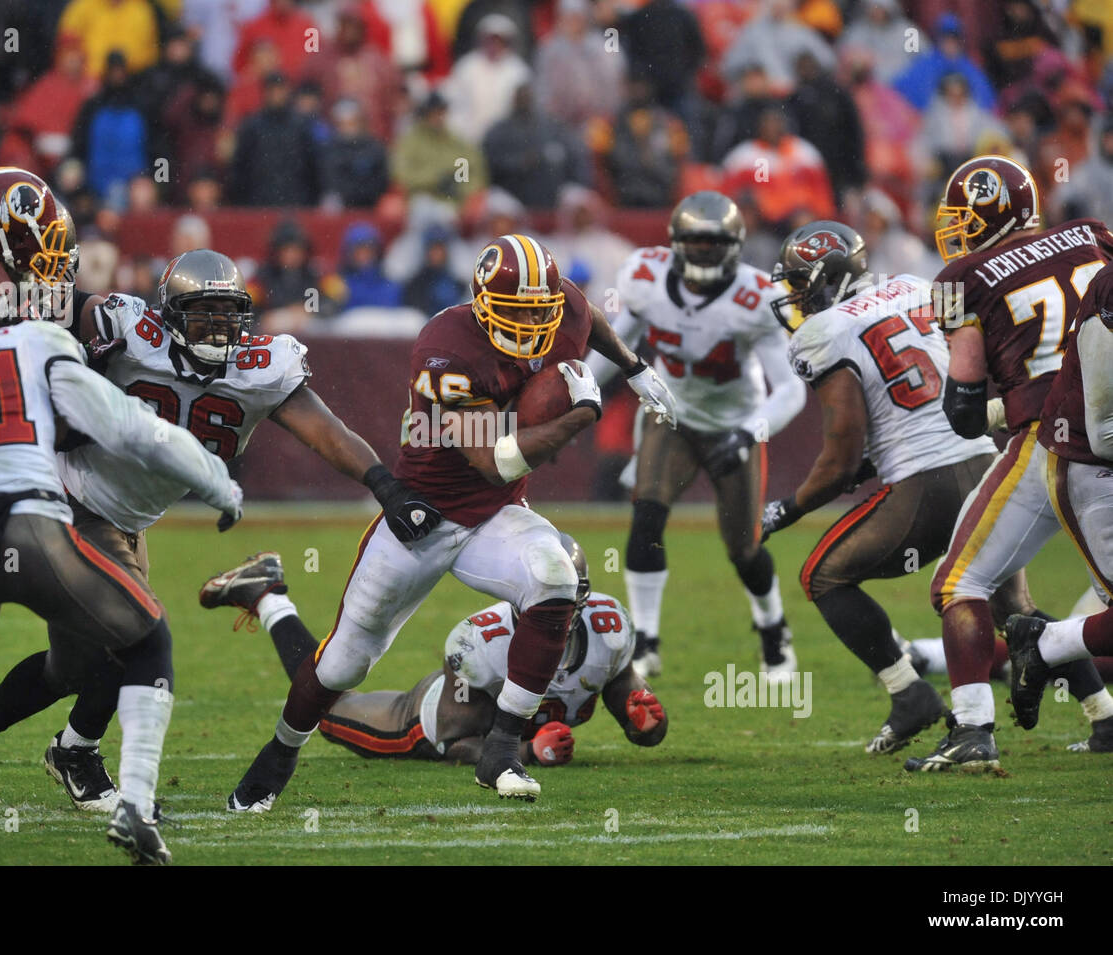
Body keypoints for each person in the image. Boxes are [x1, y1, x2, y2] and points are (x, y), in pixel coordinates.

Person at [0, 248, 437, 811]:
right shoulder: (127, 328)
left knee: (74, 665)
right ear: (169, 313)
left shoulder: (260, 366)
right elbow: (56, 306)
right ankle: (75, 751)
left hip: (128, 519)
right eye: (204, 313)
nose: (220, 328)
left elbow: (329, 433)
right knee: (134, 634)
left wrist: (386, 487)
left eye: (230, 315)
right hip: (70, 498)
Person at [227, 233, 680, 810]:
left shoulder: (560, 304)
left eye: (540, 312)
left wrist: (634, 368)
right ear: (483, 302)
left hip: (495, 517)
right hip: (424, 512)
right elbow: (494, 462)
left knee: (555, 575)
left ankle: (503, 749)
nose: (533, 327)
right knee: (345, 660)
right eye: (518, 313)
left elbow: (584, 314)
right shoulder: (446, 349)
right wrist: (580, 416)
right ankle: (281, 751)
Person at [0, 262, 243, 864]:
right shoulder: (36, 340)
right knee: (143, 639)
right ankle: (132, 804)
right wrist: (217, 482)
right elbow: (131, 428)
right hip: (34, 526)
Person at [761, 221, 997, 755]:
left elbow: (841, 460)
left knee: (823, 576)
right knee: (1011, 605)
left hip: (928, 483)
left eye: (801, 284)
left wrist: (783, 511)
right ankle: (1102, 712)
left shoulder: (824, 331)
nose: (796, 297)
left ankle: (909, 694)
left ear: (829, 277)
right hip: (987, 463)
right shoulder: (915, 285)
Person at [911, 155, 1113, 771]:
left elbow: (965, 406)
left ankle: (973, 728)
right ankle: (1101, 713)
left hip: (1047, 443)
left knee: (958, 583)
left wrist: (1005, 405)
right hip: (1097, 425)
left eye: (964, 218)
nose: (958, 231)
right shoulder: (1096, 235)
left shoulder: (962, 276)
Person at [587, 192, 806, 679]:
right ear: (675, 244)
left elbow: (791, 388)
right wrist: (577, 394)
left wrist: (749, 434)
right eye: (695, 242)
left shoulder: (756, 297)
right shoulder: (645, 278)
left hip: (735, 423)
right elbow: (615, 345)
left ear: (734, 246)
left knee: (743, 548)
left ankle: (773, 632)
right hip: (672, 415)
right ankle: (645, 643)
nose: (704, 251)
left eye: (714, 243)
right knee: (647, 517)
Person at [200, 538, 667, 762]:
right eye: (544, 599)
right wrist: (525, 752)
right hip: (424, 721)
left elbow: (626, 701)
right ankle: (269, 596)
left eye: (565, 600)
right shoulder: (480, 646)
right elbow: (453, 742)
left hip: (477, 718)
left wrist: (644, 722)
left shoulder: (610, 631)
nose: (554, 612)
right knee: (325, 704)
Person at [1006, 265, 1113, 749]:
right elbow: (1105, 428)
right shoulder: (1110, 292)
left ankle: (1046, 642)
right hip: (1093, 463)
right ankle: (1045, 644)